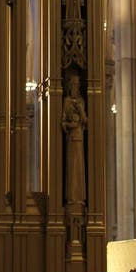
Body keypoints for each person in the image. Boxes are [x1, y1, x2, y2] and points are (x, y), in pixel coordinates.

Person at [61, 72, 87, 204]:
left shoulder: (81, 101)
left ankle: (80, 198)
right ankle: (71, 198)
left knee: (79, 168)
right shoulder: (66, 101)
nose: (75, 88)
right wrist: (70, 125)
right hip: (71, 138)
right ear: (70, 87)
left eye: (77, 85)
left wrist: (80, 110)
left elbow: (85, 120)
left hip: (79, 137)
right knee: (72, 169)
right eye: (73, 85)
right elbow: (63, 121)